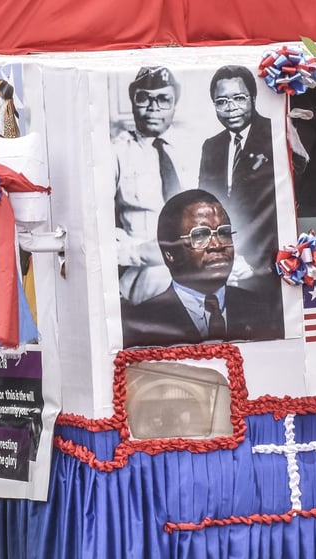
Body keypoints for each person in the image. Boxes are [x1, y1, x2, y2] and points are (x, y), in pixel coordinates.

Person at [122, 189, 283, 347]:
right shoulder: (140, 324)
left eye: (224, 232)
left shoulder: (262, 310)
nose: (218, 244)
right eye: (200, 235)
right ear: (170, 253)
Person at [114, 66, 197, 305]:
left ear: (174, 105)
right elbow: (98, 223)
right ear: (132, 101)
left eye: (163, 100)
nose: (153, 108)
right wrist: (138, 253)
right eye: (144, 98)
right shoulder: (115, 151)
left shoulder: (193, 146)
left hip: (195, 258)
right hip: (144, 266)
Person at [198, 64, 278, 285]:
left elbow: (278, 209)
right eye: (221, 102)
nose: (230, 108)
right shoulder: (211, 146)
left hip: (267, 262)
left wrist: (254, 262)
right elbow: (205, 204)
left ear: (253, 98)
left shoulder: (275, 134)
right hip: (225, 260)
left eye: (239, 98)